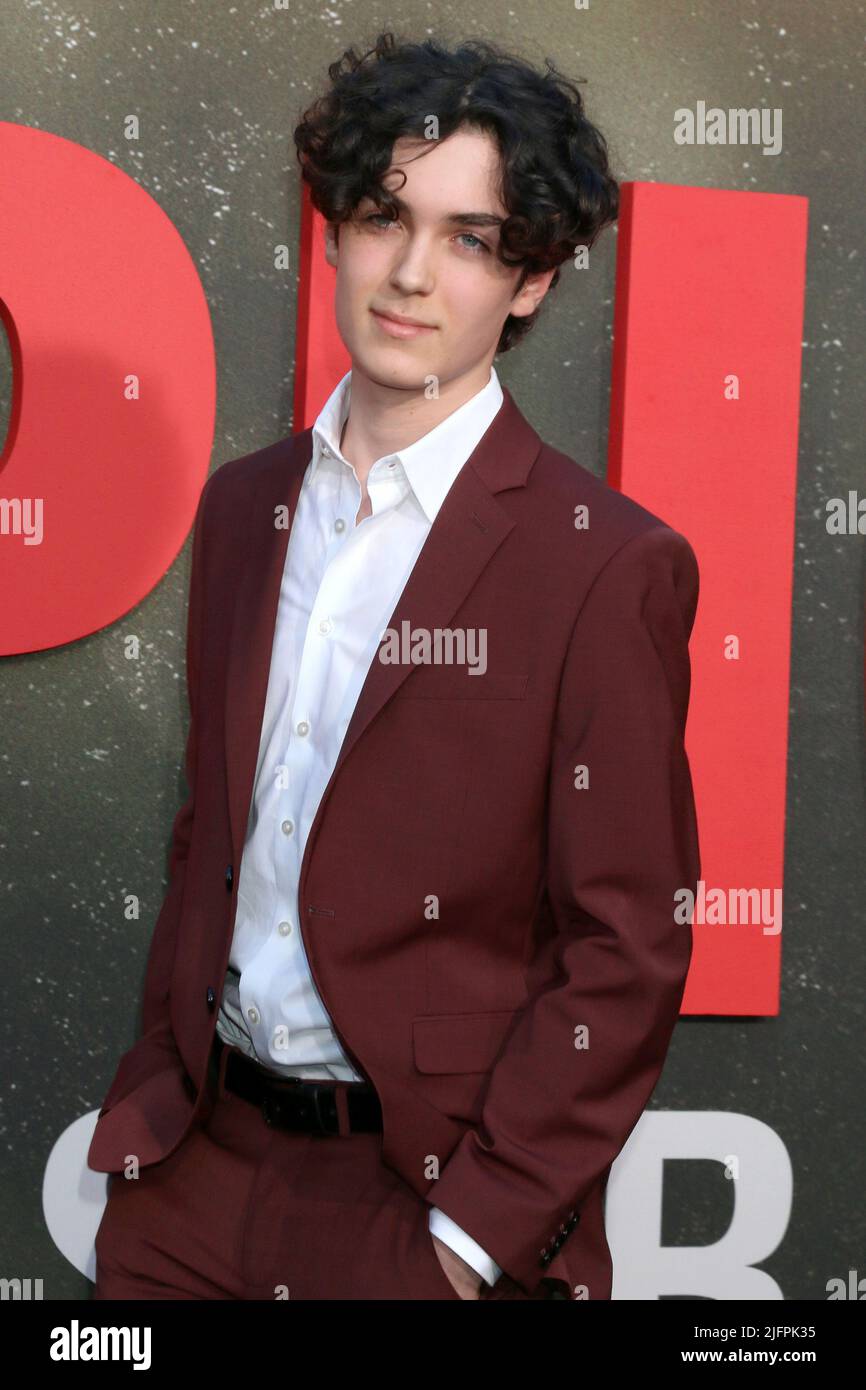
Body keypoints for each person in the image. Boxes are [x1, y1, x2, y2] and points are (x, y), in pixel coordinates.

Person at [89, 30, 700, 1302]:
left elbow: (627, 944)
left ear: (528, 281)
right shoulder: (244, 509)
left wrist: (470, 1240)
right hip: (193, 1185)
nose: (412, 273)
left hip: (414, 1208)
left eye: (471, 239)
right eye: (383, 215)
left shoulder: (602, 564)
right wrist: (161, 1089)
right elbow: (213, 832)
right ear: (331, 228)